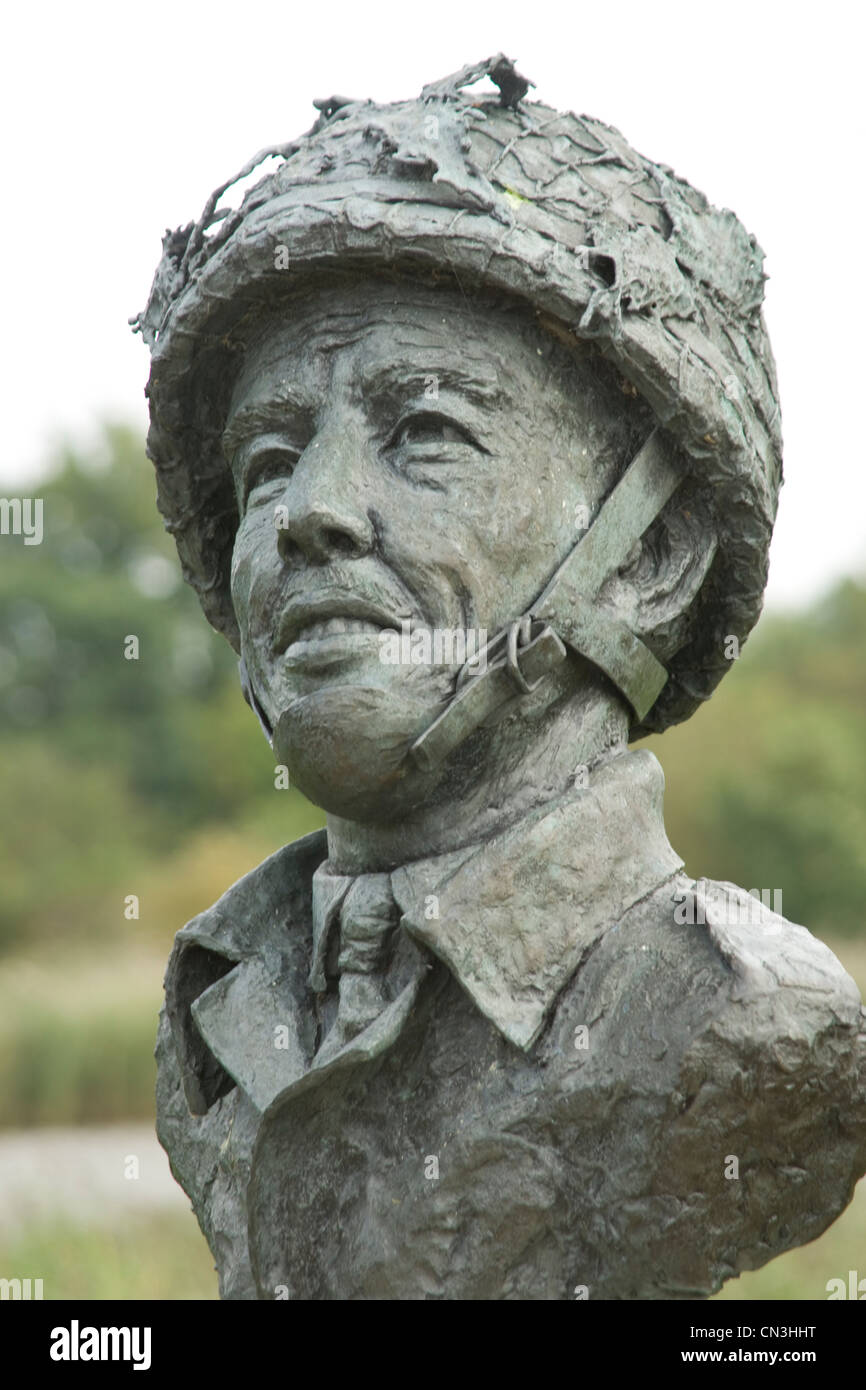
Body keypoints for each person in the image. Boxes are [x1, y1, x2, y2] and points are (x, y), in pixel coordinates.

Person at [135, 55, 866, 1300]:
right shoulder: (218, 996)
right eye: (266, 460)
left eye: (425, 431)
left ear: (647, 553)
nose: (310, 511)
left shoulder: (738, 1014)